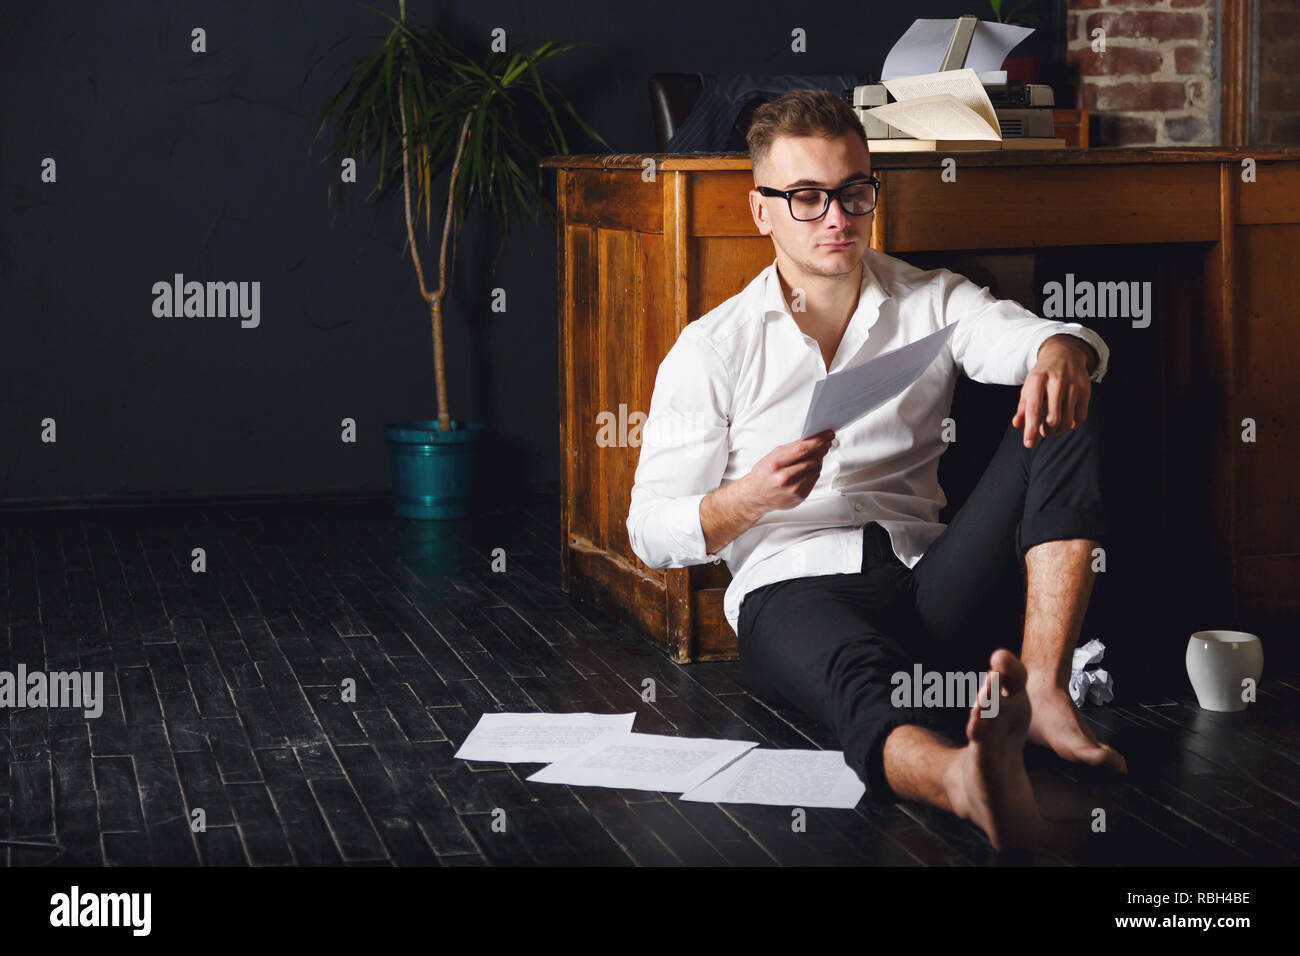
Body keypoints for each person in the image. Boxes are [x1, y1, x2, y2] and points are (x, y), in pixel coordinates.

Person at [626, 89, 1127, 851]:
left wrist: (1062, 347)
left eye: (853, 193)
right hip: (790, 590)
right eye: (806, 197)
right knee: (855, 677)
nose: (837, 217)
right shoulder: (712, 348)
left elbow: (1022, 340)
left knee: (1066, 398)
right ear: (760, 209)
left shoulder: (932, 298)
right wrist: (746, 498)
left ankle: (1046, 691)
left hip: (927, 581)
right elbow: (648, 529)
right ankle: (959, 781)